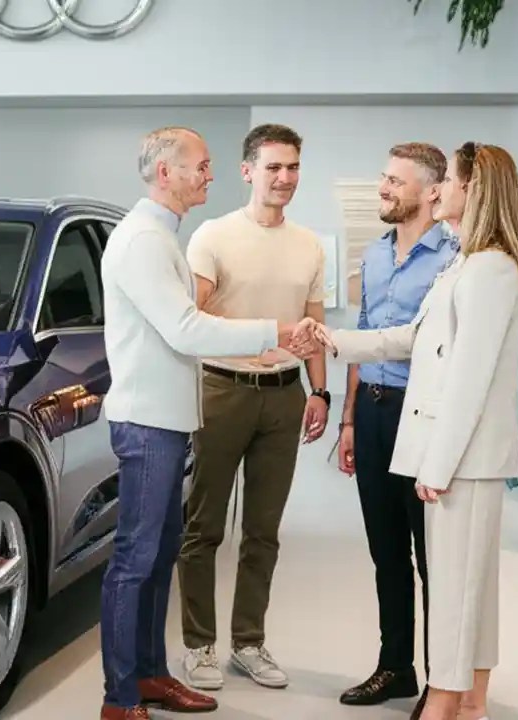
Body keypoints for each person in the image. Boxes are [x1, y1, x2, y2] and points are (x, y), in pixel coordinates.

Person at [97, 125, 319, 720]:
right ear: (166, 172)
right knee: (134, 562)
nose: (209, 174)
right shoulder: (143, 240)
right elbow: (185, 329)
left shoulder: (163, 236)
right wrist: (274, 332)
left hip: (167, 421)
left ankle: (149, 676)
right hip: (147, 424)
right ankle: (118, 700)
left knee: (160, 554)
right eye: (201, 165)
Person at [309, 141, 518, 720]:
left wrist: (435, 466)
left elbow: (469, 381)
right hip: (451, 449)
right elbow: (409, 338)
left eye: (453, 181)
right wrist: (332, 342)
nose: (445, 191)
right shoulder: (468, 265)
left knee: (456, 588)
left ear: (469, 190)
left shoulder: (489, 270)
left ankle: (445, 704)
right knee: (468, 588)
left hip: (463, 456)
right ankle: (472, 702)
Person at [176, 123, 328, 692]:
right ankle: (198, 645)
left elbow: (313, 325)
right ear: (248, 172)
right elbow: (193, 319)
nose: (284, 178)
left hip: (284, 398)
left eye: (292, 168)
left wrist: (319, 391)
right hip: (222, 389)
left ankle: (248, 642)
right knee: (204, 527)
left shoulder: (308, 245)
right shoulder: (213, 237)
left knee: (264, 530)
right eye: (273, 168)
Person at [337, 143, 459, 708]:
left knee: (431, 556)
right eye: (382, 177)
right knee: (385, 549)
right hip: (375, 409)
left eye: (394, 180)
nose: (383, 188)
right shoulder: (376, 254)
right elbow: (364, 339)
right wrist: (349, 421)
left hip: (423, 414)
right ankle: (395, 667)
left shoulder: (455, 260)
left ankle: (442, 680)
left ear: (432, 192)